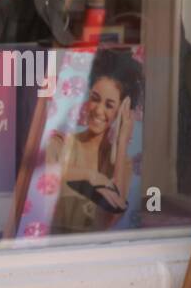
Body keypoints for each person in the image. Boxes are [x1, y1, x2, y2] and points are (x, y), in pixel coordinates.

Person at [45, 48, 142, 234]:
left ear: (121, 111)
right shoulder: (59, 145)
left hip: (94, 253)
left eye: (109, 105)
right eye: (95, 99)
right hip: (54, 252)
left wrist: (122, 142)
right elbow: (46, 174)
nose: (98, 110)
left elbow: (111, 218)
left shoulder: (122, 165)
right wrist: (92, 175)